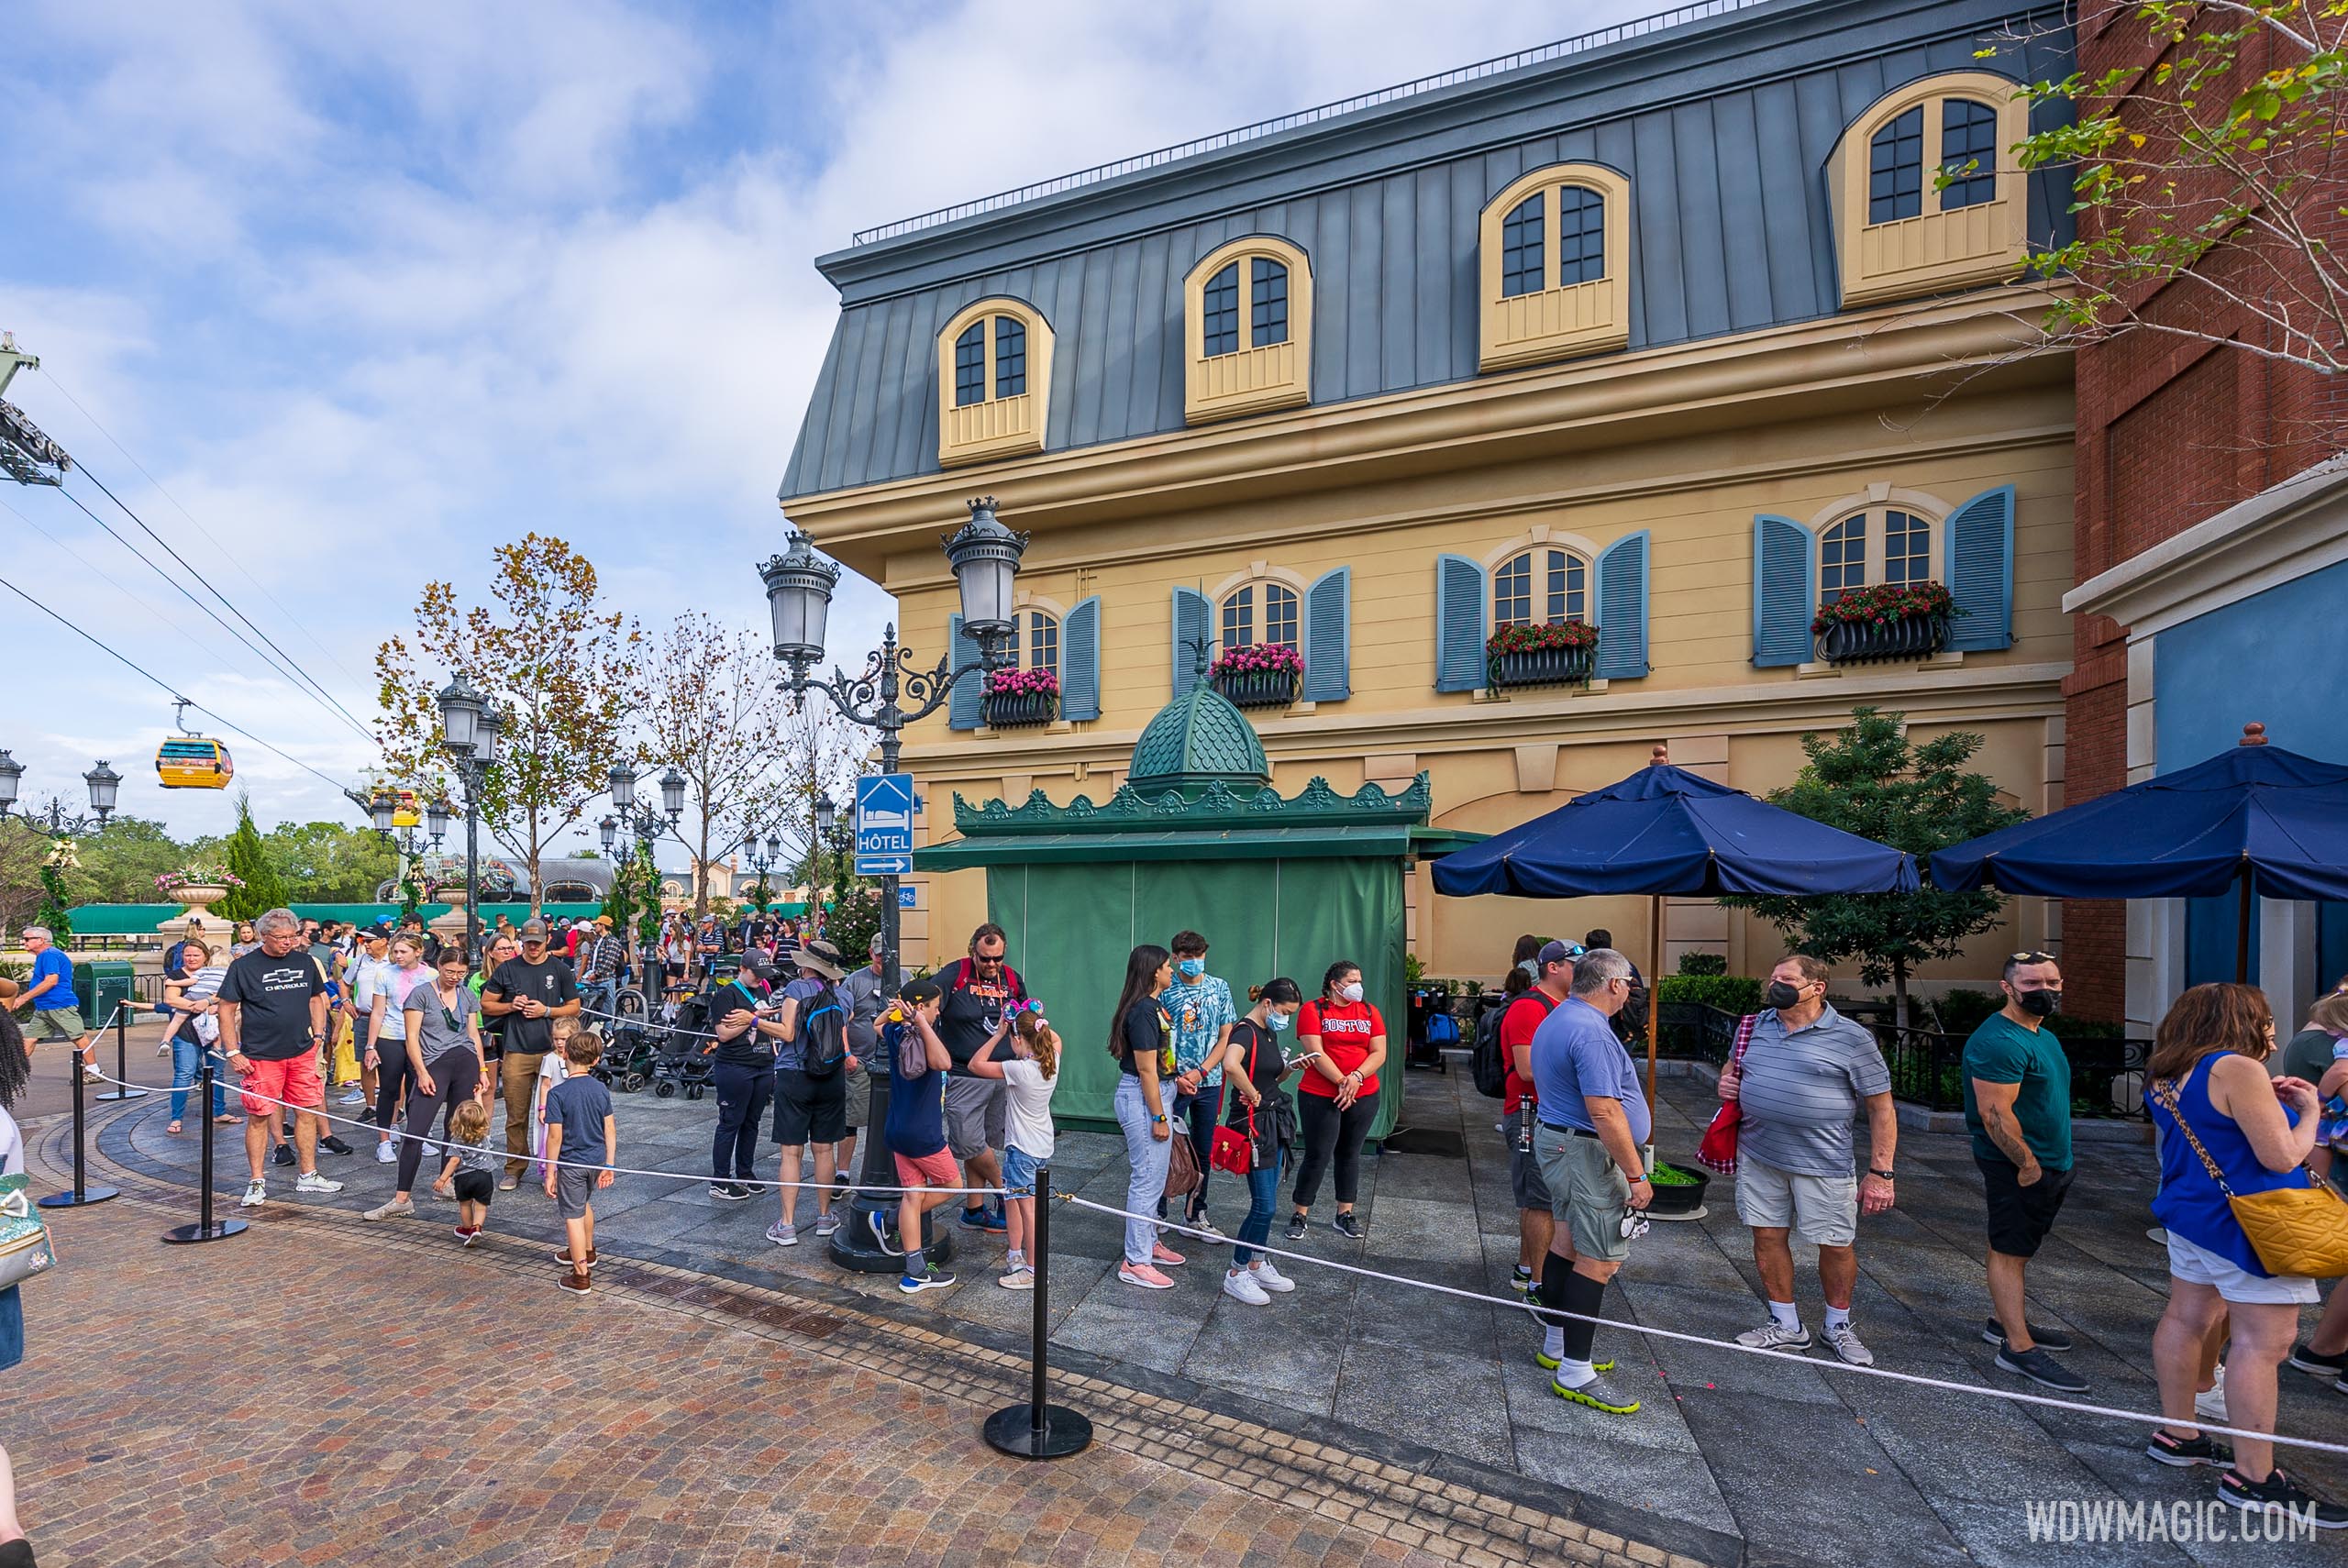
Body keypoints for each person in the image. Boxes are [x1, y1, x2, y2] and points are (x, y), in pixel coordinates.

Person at [2143, 983, 2348, 1525]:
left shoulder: (2167, 1070)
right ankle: (2255, 1478)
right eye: (2267, 1017)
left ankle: (2178, 1433)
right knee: (2264, 1344)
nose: (2273, 1027)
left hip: (2192, 1214)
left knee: (2186, 1319)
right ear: (2243, 1020)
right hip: (2252, 1225)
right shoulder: (2237, 1067)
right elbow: (2281, 1155)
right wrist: (2312, 1110)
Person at [1717, 955, 1896, 1366]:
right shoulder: (1753, 1027)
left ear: (1817, 988)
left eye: (1787, 979)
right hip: (1760, 1154)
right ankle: (1785, 1324)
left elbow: (1881, 1108)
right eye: (1773, 976)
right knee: (1766, 1236)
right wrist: (1725, 1082)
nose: (1775, 984)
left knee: (1835, 1244)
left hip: (1823, 1163)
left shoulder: (1852, 1038)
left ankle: (1837, 1325)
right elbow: (1732, 1071)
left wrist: (1881, 1172)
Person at [1528, 948, 1648, 1415]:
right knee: (1598, 1259)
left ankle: (1558, 1345)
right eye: (1629, 985)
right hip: (1583, 1151)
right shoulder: (1590, 1029)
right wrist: (1636, 1174)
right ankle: (1576, 1371)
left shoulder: (1562, 1016)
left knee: (1566, 1243)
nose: (1631, 994)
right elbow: (1604, 1109)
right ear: (1614, 985)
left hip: (1562, 1144)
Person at [1963, 952, 2086, 1394]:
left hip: (2052, 1163)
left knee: (2021, 1246)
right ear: (2008, 988)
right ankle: (2016, 1347)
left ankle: (2004, 1320)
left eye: (2052, 982)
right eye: (2032, 984)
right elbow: (1994, 1114)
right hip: (2018, 1167)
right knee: (2008, 1250)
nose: (2045, 991)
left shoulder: (2040, 1034)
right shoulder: (1999, 1041)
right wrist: (2029, 1166)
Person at [218, 909, 344, 1206]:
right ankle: (256, 1181)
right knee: (260, 1116)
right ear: (264, 936)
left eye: (292, 936)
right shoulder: (244, 966)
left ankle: (309, 1174)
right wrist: (233, 1051)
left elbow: (316, 999)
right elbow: (226, 1008)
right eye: (281, 938)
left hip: (301, 1051)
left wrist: (318, 1037)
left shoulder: (305, 962)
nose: (288, 942)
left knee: (307, 1112)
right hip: (260, 1055)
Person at [362, 947, 490, 1222]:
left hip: (465, 1061)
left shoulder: (467, 994)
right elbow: (411, 1036)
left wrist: (482, 1069)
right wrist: (420, 1072)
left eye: (461, 973)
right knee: (417, 1131)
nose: (455, 977)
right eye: (450, 972)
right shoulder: (420, 994)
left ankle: (446, 1183)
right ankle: (401, 1198)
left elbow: (473, 1035)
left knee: (457, 1128)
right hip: (433, 1062)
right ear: (439, 967)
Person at [1287, 960, 1387, 1241]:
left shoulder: (1369, 1011)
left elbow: (1379, 1052)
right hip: (1320, 1095)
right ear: (1335, 984)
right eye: (1352, 981)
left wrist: (1356, 1077)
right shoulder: (1313, 1010)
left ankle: (1345, 1213)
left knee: (1349, 1154)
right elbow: (1315, 1052)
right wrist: (1343, 1082)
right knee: (1317, 1154)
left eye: (1359, 980)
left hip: (1363, 1093)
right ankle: (1300, 1213)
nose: (1358, 986)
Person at [1501, 941, 1578, 1296]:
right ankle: (1540, 1284)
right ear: (1554, 968)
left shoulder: (1564, 1006)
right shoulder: (1530, 1007)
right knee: (1540, 1200)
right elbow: (1527, 1068)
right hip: (1530, 1110)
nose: (1581, 972)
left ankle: (1526, 1268)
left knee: (1540, 1199)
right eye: (1575, 965)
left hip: (1552, 1112)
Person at [1220, 978, 1303, 1304]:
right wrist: (1252, 1094)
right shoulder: (1245, 1031)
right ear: (1267, 1003)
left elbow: (1270, 1074)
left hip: (1272, 1120)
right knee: (1264, 1204)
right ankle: (1237, 1272)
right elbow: (1230, 1063)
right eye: (1284, 1011)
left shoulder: (1268, 1031)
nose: (1287, 1018)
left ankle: (1257, 1261)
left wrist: (1291, 1068)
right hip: (1254, 1125)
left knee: (1268, 1204)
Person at [938, 924, 1024, 1234]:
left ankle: (974, 1209)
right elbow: (930, 1006)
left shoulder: (1012, 978)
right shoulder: (955, 974)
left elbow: (1026, 1020)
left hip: (1003, 1073)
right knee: (966, 1140)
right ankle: (1005, 1193)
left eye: (997, 958)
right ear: (972, 950)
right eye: (985, 958)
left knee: (985, 1142)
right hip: (965, 1073)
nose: (991, 965)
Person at [482, 919, 580, 1189]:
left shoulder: (560, 969)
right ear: (521, 942)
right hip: (517, 1050)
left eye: (537, 942)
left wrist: (546, 1011)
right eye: (528, 942)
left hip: (554, 1051)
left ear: (547, 940)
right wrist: (511, 1005)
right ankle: (515, 1167)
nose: (533, 946)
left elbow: (574, 1007)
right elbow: (486, 1005)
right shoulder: (508, 969)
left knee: (560, 1113)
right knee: (516, 1114)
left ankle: (558, 1166)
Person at [968, 1003, 1059, 1288]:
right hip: (1040, 1145)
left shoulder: (1020, 1069)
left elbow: (975, 1064)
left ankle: (1033, 1270)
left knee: (1027, 1209)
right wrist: (1035, 1021)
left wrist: (997, 1034)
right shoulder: (1053, 1060)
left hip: (1022, 1148)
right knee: (1013, 1201)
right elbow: (1056, 1039)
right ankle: (1015, 1254)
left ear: (1018, 1040)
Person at [1111, 943, 1186, 1288]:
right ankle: (1136, 1261)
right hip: (1144, 1099)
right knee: (1146, 1178)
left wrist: (1176, 1080)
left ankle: (1149, 1242)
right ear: (1154, 971)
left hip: (1156, 1093)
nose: (1173, 969)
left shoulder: (1153, 1007)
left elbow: (1158, 1064)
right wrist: (1158, 1117)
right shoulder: (1142, 1010)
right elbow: (1145, 1070)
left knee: (1155, 1179)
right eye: (1168, 965)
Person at [769, 939, 854, 1244]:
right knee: (824, 1149)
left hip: (796, 1073)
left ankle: (788, 1225)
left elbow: (788, 1032)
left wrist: (754, 1020)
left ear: (806, 966)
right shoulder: (843, 995)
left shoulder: (795, 990)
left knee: (791, 1152)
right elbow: (846, 1023)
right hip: (831, 1076)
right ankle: (823, 1216)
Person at [880, 977, 960, 1293]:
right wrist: (919, 1021)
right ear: (921, 1007)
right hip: (922, 1133)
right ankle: (888, 1219)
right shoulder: (922, 1036)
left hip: (897, 1128)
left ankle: (914, 1271)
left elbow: (877, 1025)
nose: (938, 1014)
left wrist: (896, 1013)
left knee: (913, 1196)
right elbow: (944, 1063)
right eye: (935, 1008)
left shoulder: (896, 1033)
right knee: (954, 1187)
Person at [1161, 930, 1236, 1234]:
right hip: (1173, 1083)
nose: (1194, 962)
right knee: (1165, 1147)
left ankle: (1195, 1214)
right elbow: (1159, 1038)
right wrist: (1176, 1076)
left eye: (1199, 956)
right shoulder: (1166, 988)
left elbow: (1226, 1035)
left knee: (1203, 1149)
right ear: (1176, 958)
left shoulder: (1219, 988)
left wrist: (1202, 1071)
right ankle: (1159, 1211)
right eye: (1187, 957)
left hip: (1209, 1082)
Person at [541, 1030, 616, 1297]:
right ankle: (587, 1250)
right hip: (595, 1159)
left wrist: (550, 1171)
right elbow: (610, 1129)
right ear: (595, 1060)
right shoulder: (600, 1089)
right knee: (583, 1204)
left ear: (565, 1054)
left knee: (572, 1216)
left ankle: (581, 1273)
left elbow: (554, 1136)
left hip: (572, 1162)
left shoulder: (558, 1094)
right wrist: (609, 1163)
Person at [703, 960, 778, 1205]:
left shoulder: (762, 989)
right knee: (730, 1122)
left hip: (762, 1063)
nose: (760, 979)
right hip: (736, 1065)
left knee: (752, 1121)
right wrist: (753, 1018)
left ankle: (745, 1171)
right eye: (756, 974)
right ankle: (720, 1180)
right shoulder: (727, 995)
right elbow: (723, 1034)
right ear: (743, 969)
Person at [363, 935, 431, 1165]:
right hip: (390, 1036)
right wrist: (371, 1046)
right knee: (389, 1088)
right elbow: (378, 1012)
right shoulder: (385, 973)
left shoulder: (430, 975)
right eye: (396, 951)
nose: (398, 956)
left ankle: (417, 1137)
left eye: (403, 951)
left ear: (418, 951)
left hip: (420, 1039)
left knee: (418, 1089)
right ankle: (384, 1140)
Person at [835, 934, 894, 1196]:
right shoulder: (855, 981)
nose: (882, 959)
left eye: (886, 954)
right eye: (878, 954)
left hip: (894, 1063)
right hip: (859, 1060)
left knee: (889, 1120)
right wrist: (847, 1053)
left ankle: (891, 1171)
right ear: (871, 953)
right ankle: (842, 1173)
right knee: (851, 1119)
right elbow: (840, 1021)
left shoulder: (903, 977)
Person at [161, 939, 235, 1132]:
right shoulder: (177, 975)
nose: (191, 958)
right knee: (184, 1075)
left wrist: (209, 1002)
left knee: (216, 1073)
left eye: (196, 955)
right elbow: (170, 1000)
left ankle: (218, 1111)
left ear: (206, 957)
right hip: (186, 1034)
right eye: (188, 955)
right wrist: (203, 1004)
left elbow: (231, 995)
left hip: (214, 1033)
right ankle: (176, 1118)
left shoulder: (220, 973)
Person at [17, 926, 94, 1081]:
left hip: (59, 1005)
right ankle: (14, 1071)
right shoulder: (44, 956)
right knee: (30, 1038)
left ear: (41, 940)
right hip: (44, 1006)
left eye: (27, 939)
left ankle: (94, 1071)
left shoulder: (50, 955)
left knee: (78, 1036)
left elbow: (51, 981)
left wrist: (23, 998)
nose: (23, 942)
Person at [437, 1098, 498, 1245]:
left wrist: (443, 1179)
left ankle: (466, 1229)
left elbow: (454, 1161)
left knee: (465, 1204)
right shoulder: (484, 1134)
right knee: (480, 1206)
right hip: (484, 1176)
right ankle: (476, 1228)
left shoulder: (457, 1140)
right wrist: (479, 1095)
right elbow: (482, 1112)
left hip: (464, 1178)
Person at [578, 916, 625, 1028]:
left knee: (608, 1008)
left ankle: (608, 1031)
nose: (595, 926)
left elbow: (609, 962)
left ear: (602, 926)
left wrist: (596, 974)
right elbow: (592, 959)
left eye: (597, 924)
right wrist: (589, 973)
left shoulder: (612, 941)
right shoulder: (598, 940)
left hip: (606, 980)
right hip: (593, 979)